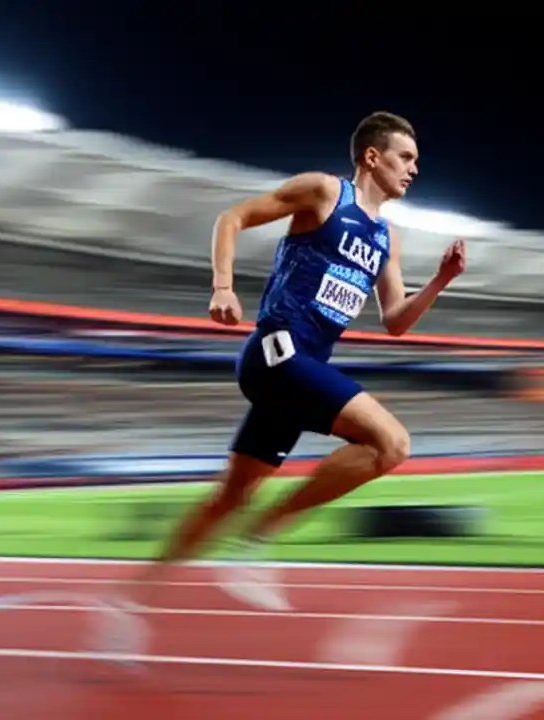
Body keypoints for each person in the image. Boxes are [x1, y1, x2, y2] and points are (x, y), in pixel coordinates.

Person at [128, 111, 466, 611]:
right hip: (276, 353)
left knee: (230, 497)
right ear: (372, 157)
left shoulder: (385, 238)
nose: (414, 169)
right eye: (406, 157)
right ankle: (257, 539)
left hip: (295, 373)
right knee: (390, 443)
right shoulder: (325, 192)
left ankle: (128, 602)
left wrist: (440, 282)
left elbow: (395, 320)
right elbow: (233, 218)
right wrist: (222, 287)